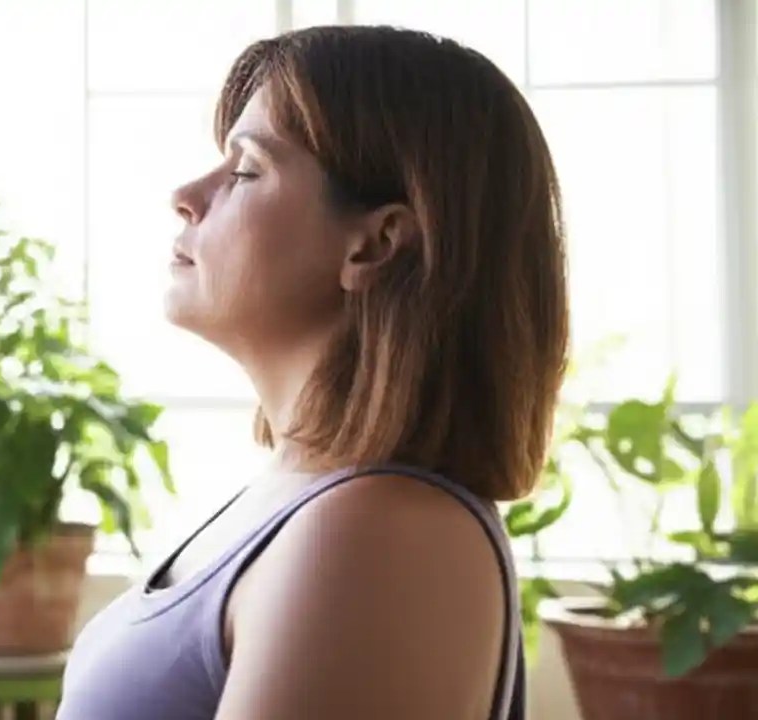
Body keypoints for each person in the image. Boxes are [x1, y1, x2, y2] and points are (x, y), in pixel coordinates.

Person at [56, 25, 568, 720]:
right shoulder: (303, 499)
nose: (186, 193)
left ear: (377, 243)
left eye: (245, 170)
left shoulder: (386, 534)